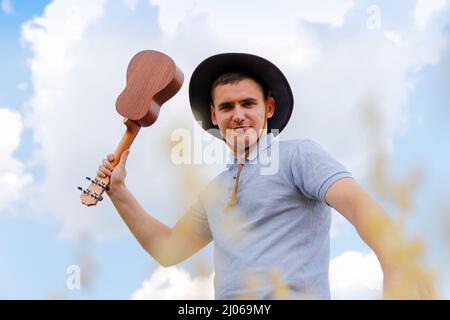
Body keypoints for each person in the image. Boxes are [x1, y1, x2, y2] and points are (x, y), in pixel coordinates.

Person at [98, 53, 435, 299]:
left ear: (268, 108)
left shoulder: (298, 155)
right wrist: (120, 192)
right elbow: (168, 249)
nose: (239, 115)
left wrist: (397, 269)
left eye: (248, 103)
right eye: (227, 107)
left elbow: (361, 208)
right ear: (214, 115)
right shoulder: (216, 190)